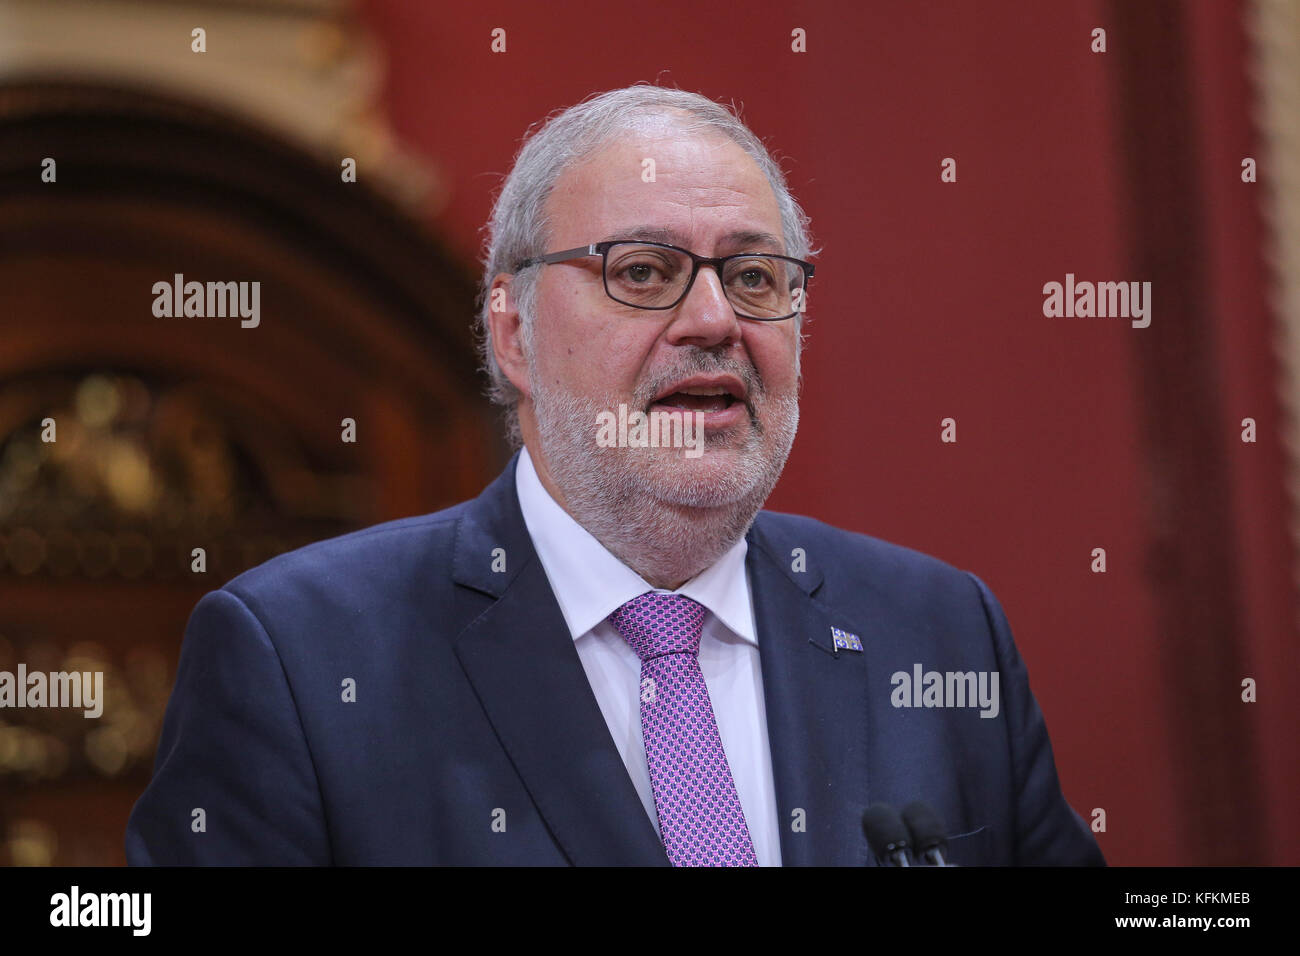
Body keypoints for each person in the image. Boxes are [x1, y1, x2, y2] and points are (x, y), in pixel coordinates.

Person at [126, 84, 1104, 866]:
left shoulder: (935, 627)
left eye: (756, 277)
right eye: (642, 272)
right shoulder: (299, 658)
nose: (714, 318)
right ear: (511, 331)